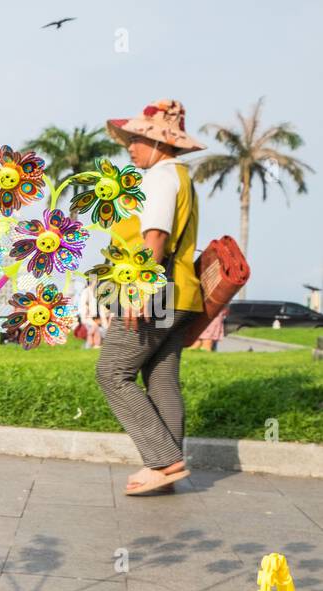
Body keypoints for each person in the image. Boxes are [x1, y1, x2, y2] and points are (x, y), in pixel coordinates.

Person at [95, 100, 205, 496]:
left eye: (138, 138)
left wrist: (141, 289)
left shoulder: (160, 177)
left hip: (156, 291)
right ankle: (165, 467)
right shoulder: (180, 176)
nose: (130, 145)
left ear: (161, 142)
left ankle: (163, 459)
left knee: (111, 373)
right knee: (161, 380)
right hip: (182, 291)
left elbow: (154, 236)